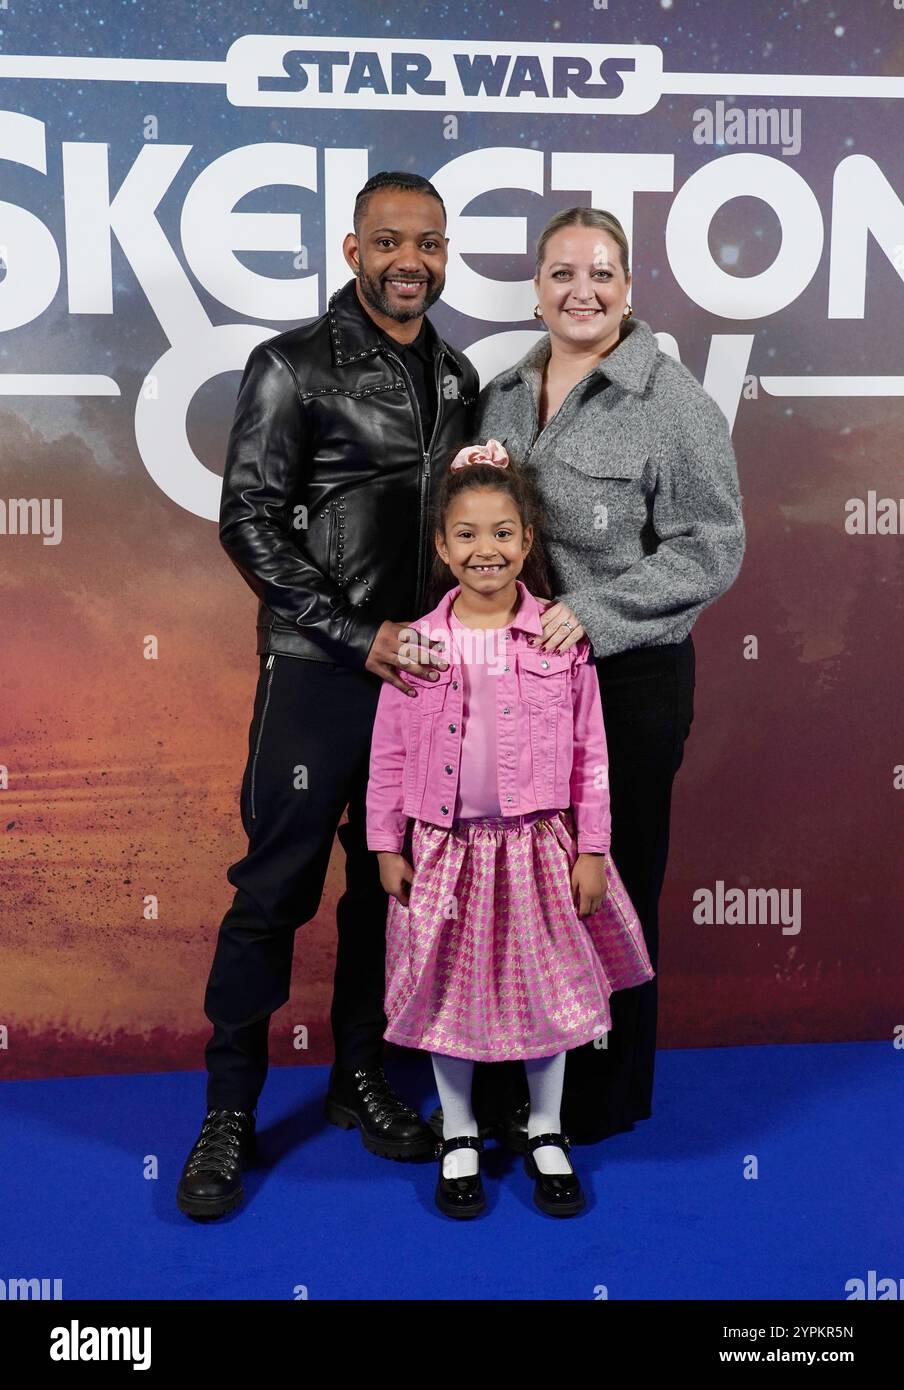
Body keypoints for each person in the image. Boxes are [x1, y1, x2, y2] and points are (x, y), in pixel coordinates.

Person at [176, 171, 479, 1221]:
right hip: (319, 669)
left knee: (382, 890)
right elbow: (248, 521)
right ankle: (226, 1110)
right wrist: (359, 636)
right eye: (390, 241)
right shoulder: (290, 365)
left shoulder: (457, 373)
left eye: (430, 244)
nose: (412, 261)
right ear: (351, 250)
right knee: (275, 888)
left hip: (424, 678)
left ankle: (360, 1074)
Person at [468, 206, 746, 1147]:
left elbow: (712, 548)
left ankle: (600, 1096)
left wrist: (593, 613)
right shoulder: (504, 394)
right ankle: (516, 1083)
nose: (580, 291)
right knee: (527, 881)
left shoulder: (673, 401)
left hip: (629, 681)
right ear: (537, 287)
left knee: (612, 883)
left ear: (629, 288)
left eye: (600, 274)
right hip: (521, 684)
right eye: (560, 274)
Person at [366, 442, 655, 1218]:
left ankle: (546, 1129)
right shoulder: (418, 646)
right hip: (444, 852)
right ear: (441, 546)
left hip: (538, 848)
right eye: (465, 534)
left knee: (545, 994)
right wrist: (385, 842)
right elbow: (389, 753)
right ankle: (459, 1132)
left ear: (528, 542)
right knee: (447, 996)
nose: (484, 549)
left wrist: (592, 849)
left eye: (502, 533)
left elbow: (592, 753)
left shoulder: (560, 642)